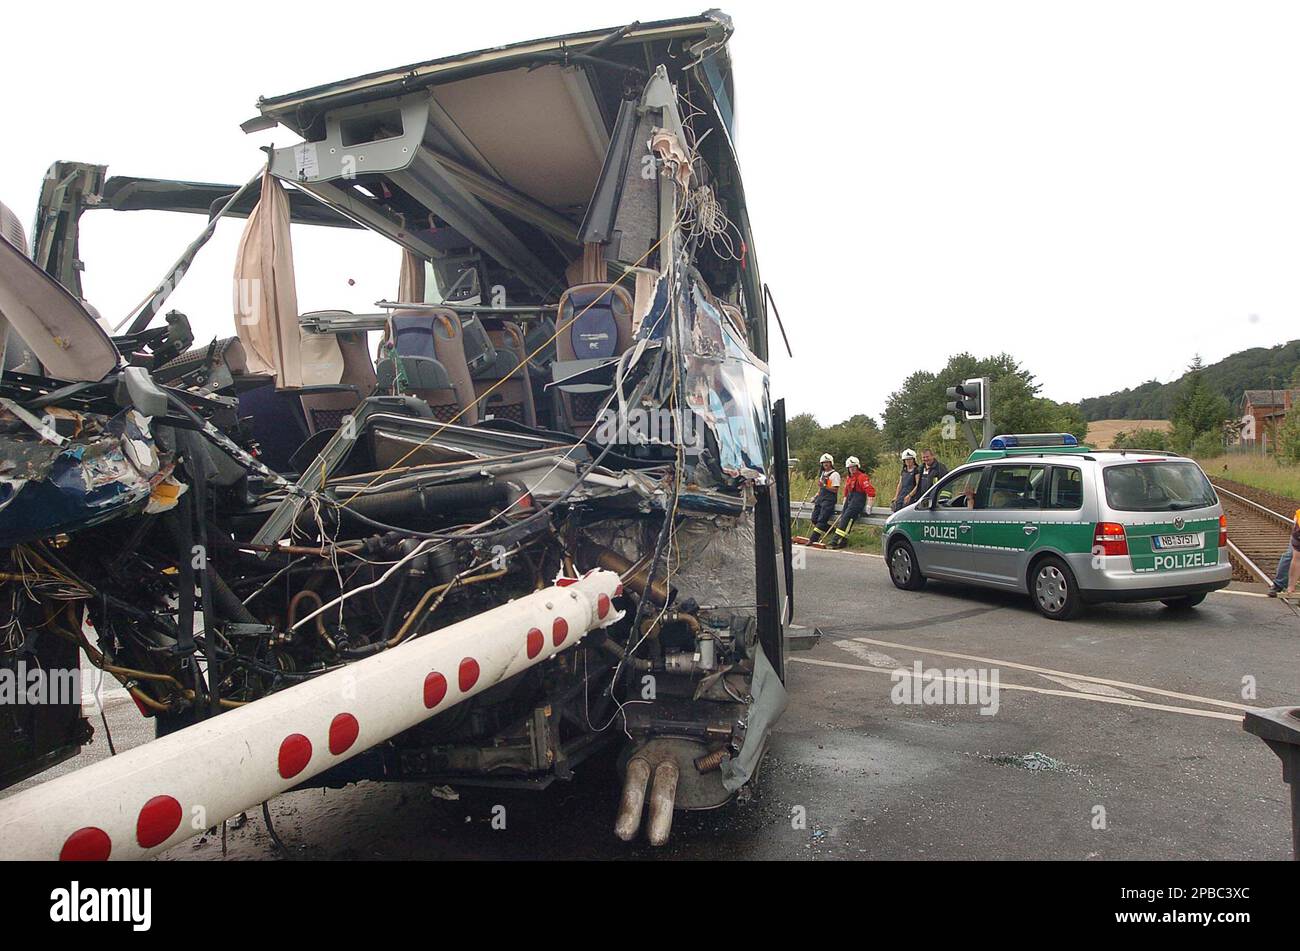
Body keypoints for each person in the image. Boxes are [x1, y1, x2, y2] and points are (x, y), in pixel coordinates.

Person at [829, 456, 872, 549]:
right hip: (850, 500)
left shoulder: (862, 477)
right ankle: (842, 540)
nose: (852, 469)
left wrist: (869, 504)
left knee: (847, 519)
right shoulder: (849, 477)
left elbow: (870, 491)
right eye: (850, 467)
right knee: (843, 518)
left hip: (857, 501)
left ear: (857, 466)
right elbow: (846, 490)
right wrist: (845, 500)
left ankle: (836, 539)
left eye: (854, 467)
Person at [807, 453, 841, 545]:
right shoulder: (822, 474)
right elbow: (820, 489)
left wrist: (825, 486)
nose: (825, 464)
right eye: (823, 463)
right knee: (814, 519)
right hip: (820, 499)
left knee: (822, 520)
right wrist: (815, 496)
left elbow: (835, 489)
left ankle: (813, 539)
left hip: (829, 500)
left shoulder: (835, 474)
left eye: (827, 462)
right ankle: (833, 531)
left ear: (831, 463)